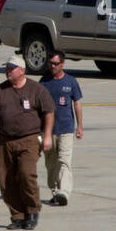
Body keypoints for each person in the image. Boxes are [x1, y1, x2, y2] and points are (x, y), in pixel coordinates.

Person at [0, 53, 54, 230]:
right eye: (7, 68)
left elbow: (49, 112)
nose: (8, 72)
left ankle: (32, 211)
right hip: (4, 140)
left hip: (28, 139)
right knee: (6, 180)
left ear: (22, 70)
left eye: (11, 69)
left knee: (26, 174)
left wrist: (47, 135)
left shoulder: (37, 90)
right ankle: (17, 216)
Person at [39, 50, 83, 206]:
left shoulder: (71, 82)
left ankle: (64, 192)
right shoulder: (44, 82)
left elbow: (77, 103)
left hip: (66, 129)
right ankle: (55, 190)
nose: (53, 66)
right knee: (51, 164)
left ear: (62, 64)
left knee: (64, 161)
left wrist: (79, 126)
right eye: (50, 63)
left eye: (56, 63)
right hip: (47, 131)